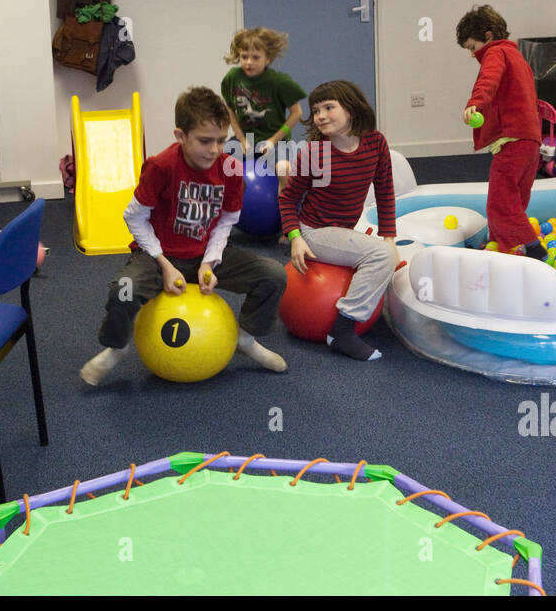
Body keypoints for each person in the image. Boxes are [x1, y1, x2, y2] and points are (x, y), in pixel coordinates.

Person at [80, 87, 288, 385]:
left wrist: (210, 261)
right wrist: (164, 264)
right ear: (180, 135)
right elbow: (134, 217)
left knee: (273, 275)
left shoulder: (231, 169)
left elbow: (227, 219)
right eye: (204, 141)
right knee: (122, 290)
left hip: (205, 253)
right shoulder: (161, 166)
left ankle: (244, 339)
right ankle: (117, 348)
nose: (214, 149)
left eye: (220, 140)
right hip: (158, 254)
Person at [279, 80, 397, 361]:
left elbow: (385, 190)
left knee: (386, 251)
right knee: (381, 257)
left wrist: (389, 237)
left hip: (343, 228)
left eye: (329, 107)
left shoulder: (375, 143)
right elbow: (286, 199)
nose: (320, 115)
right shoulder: (314, 152)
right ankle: (342, 331)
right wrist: (294, 239)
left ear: (352, 110)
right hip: (314, 232)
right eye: (316, 109)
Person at [455, 5, 546, 260]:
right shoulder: (518, 57)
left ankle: (533, 248)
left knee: (499, 202)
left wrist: (475, 102)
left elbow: (488, 80)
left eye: (473, 47)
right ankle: (501, 246)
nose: (473, 55)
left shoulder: (496, 54)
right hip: (530, 141)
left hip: (513, 141)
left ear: (488, 35)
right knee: (514, 200)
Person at [220, 28, 306, 182]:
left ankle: (284, 205)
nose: (248, 62)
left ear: (268, 58)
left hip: (276, 141)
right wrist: (241, 139)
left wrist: (273, 140)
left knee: (284, 169)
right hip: (245, 139)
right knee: (219, 165)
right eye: (244, 57)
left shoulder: (280, 82)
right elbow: (230, 110)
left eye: (255, 57)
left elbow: (297, 113)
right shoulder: (232, 78)